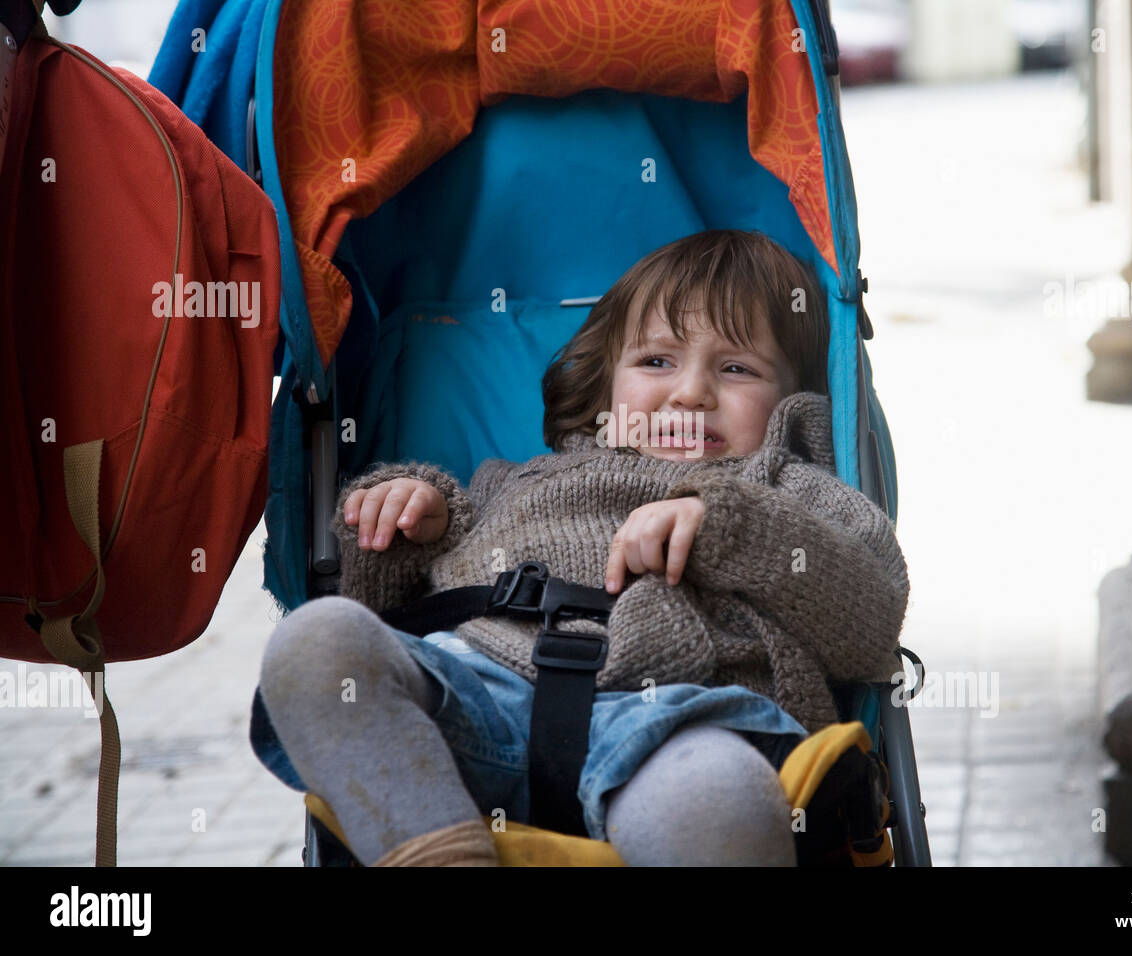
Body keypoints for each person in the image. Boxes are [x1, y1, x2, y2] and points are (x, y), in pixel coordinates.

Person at [251, 229, 910, 866]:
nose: (690, 392)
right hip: (474, 702)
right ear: (603, 386)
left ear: (795, 401)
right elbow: (384, 618)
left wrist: (725, 523)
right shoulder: (513, 483)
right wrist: (396, 529)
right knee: (316, 643)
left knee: (717, 796)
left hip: (676, 723)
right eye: (657, 361)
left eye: (736, 368)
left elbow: (871, 620)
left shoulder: (790, 490)